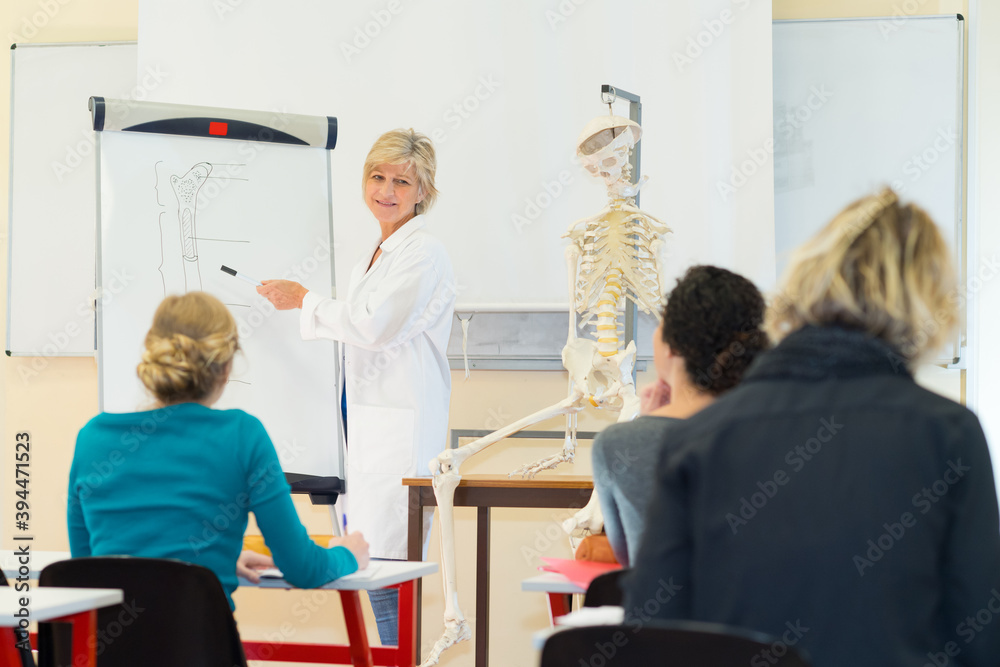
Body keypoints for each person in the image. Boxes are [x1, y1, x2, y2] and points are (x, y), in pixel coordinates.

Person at [622, 189, 1000, 667]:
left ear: (807, 279)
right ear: (927, 303)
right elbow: (981, 638)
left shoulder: (699, 439)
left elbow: (652, 634)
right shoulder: (947, 435)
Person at [257, 128, 455, 645]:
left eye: (402, 181)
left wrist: (305, 300)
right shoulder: (375, 253)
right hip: (367, 432)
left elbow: (373, 327)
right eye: (378, 176)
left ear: (423, 191)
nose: (386, 190)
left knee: (388, 579)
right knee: (373, 575)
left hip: (398, 441)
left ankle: (395, 658)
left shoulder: (423, 254)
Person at [67, 292, 370, 611]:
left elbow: (87, 569)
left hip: (106, 654)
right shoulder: (241, 435)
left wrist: (209, 559)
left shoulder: (93, 438)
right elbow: (303, 568)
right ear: (226, 367)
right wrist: (349, 553)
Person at [593, 265, 768, 566]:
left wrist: (647, 425)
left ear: (672, 344)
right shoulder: (778, 435)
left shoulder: (618, 445)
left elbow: (629, 555)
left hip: (663, 611)